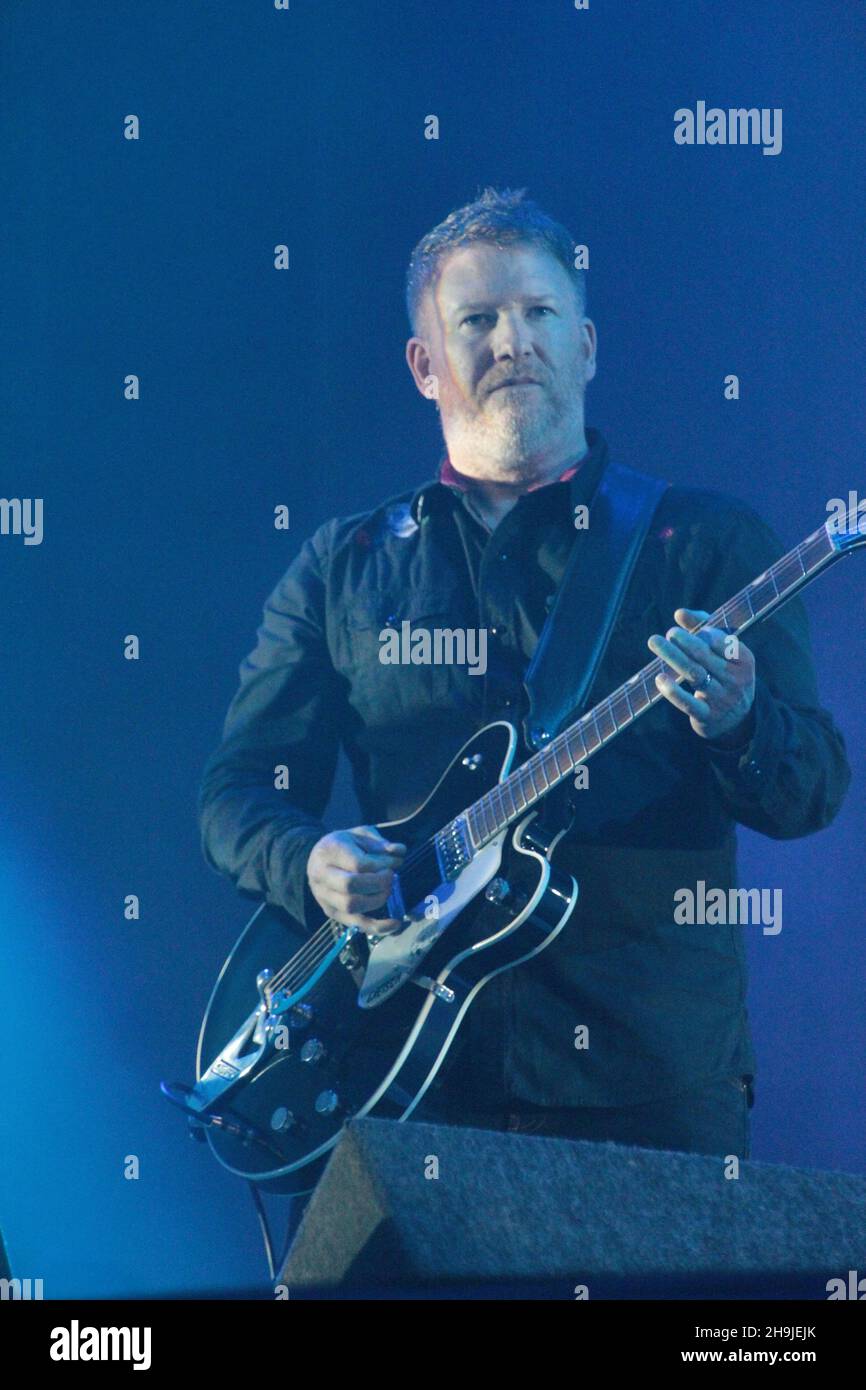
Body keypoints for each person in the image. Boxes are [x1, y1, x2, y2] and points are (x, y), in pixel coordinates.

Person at [198, 187, 851, 1160]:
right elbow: (236, 792)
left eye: (539, 313)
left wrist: (738, 716)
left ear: (585, 347)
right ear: (424, 366)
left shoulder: (705, 544)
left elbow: (810, 792)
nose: (512, 341)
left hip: (644, 1086)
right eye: (477, 320)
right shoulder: (345, 565)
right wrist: (307, 862)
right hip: (396, 1078)